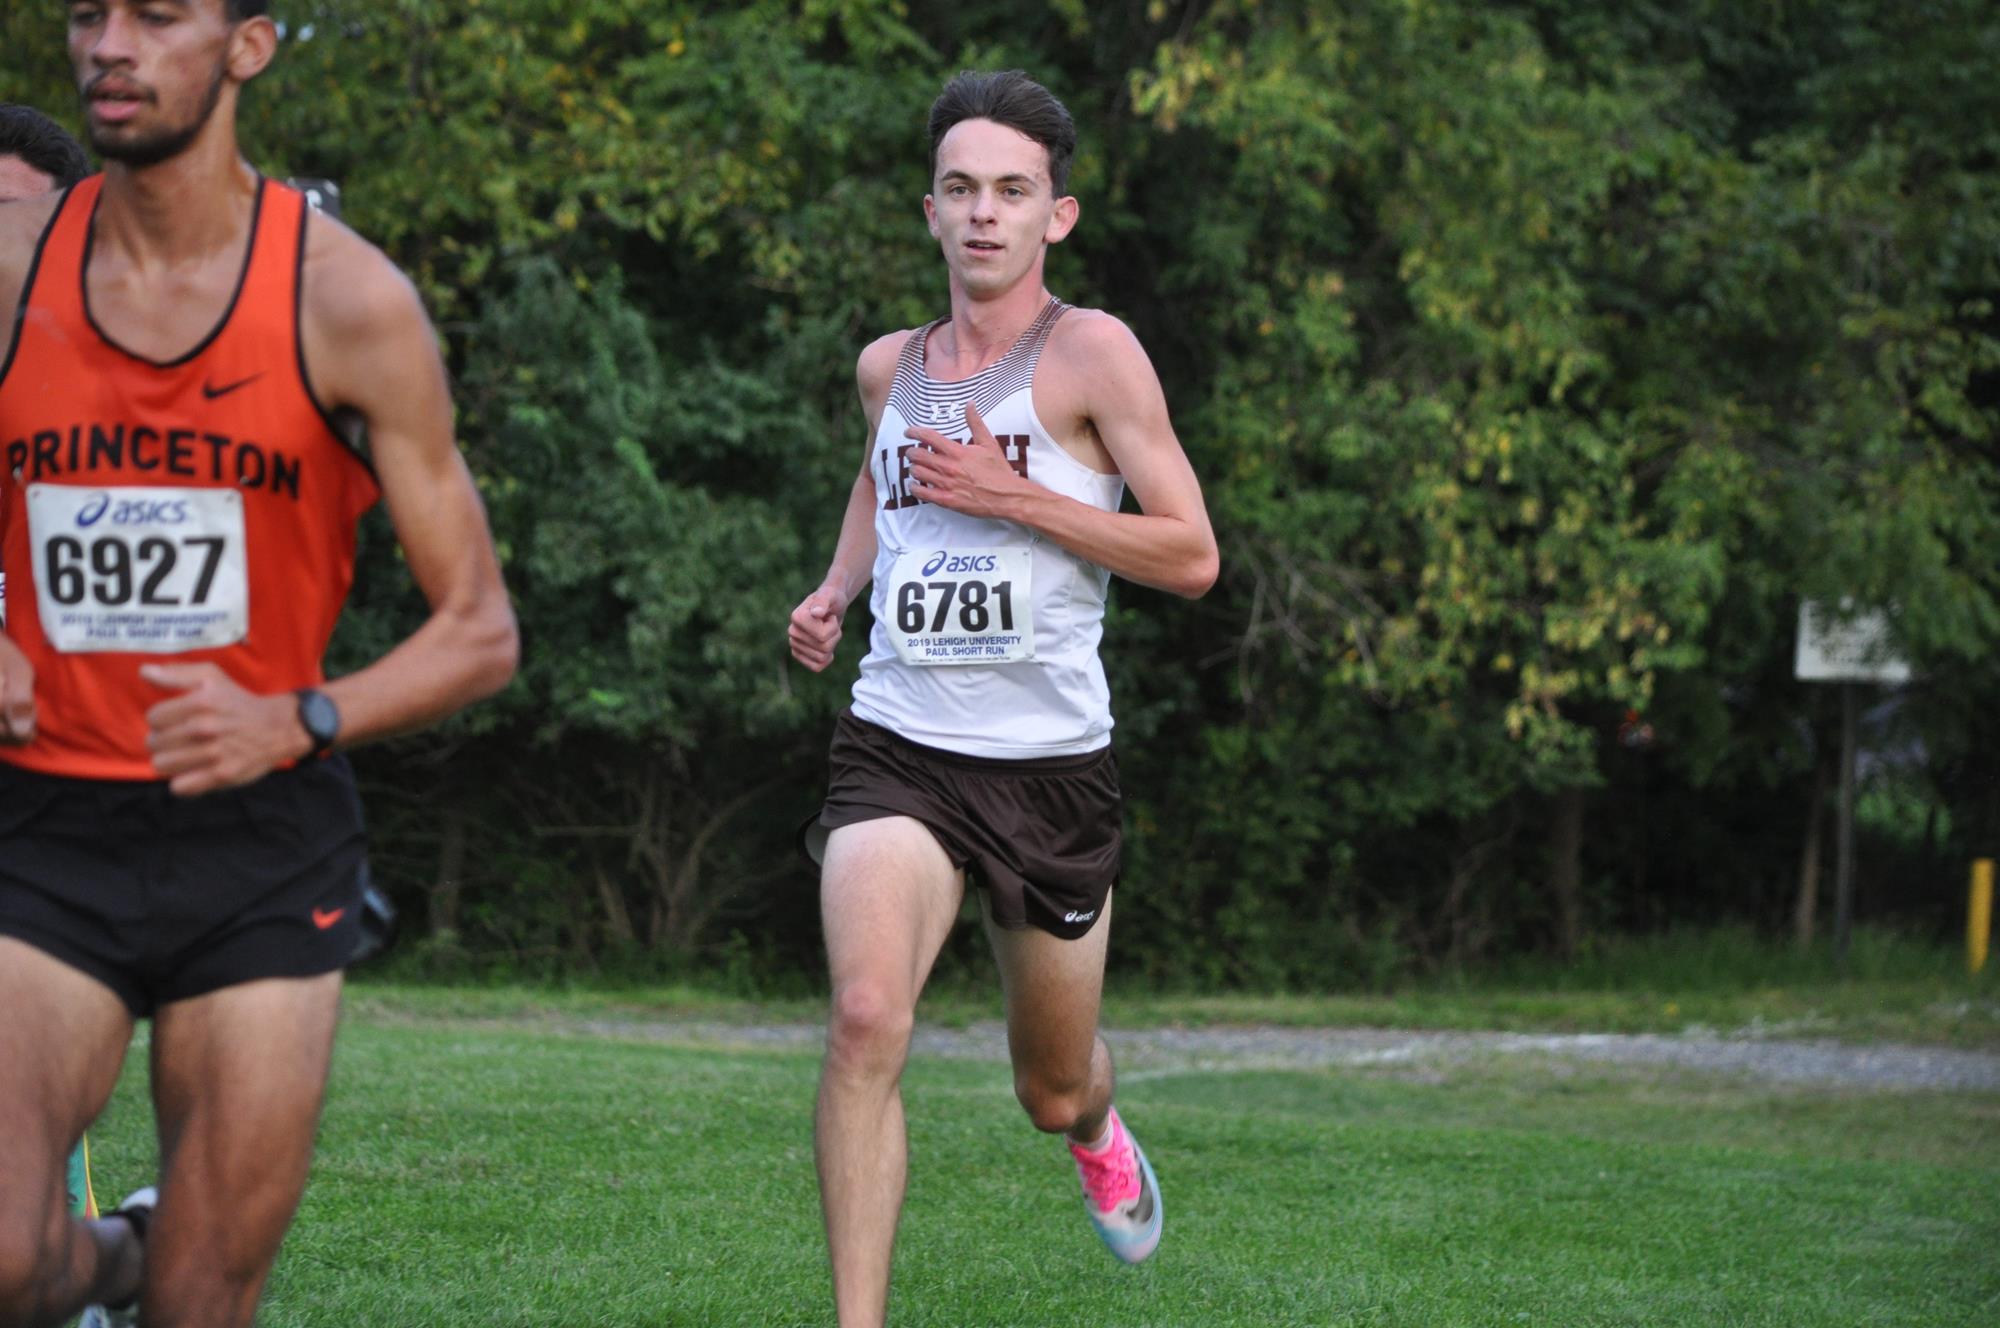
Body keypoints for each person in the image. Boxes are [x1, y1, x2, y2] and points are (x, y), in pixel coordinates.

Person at [0, 5, 519, 1328]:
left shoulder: (346, 300)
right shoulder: (12, 272)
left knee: (202, 1295)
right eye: (88, 13)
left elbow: (478, 630)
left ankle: (142, 1264)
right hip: (46, 828)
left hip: (261, 847)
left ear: (248, 45)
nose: (111, 43)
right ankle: (102, 1262)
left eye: (158, 15)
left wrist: (300, 717)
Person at [788, 68, 1218, 1327]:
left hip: (1047, 769)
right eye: (962, 189)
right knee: (867, 1015)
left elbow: (1190, 553)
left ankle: (1093, 1121)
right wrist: (833, 587)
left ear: (1056, 217)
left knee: (1046, 1084)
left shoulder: (1093, 354)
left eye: (1012, 192)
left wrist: (1016, 494)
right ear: (929, 210)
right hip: (898, 741)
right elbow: (883, 485)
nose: (984, 213)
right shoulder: (888, 368)